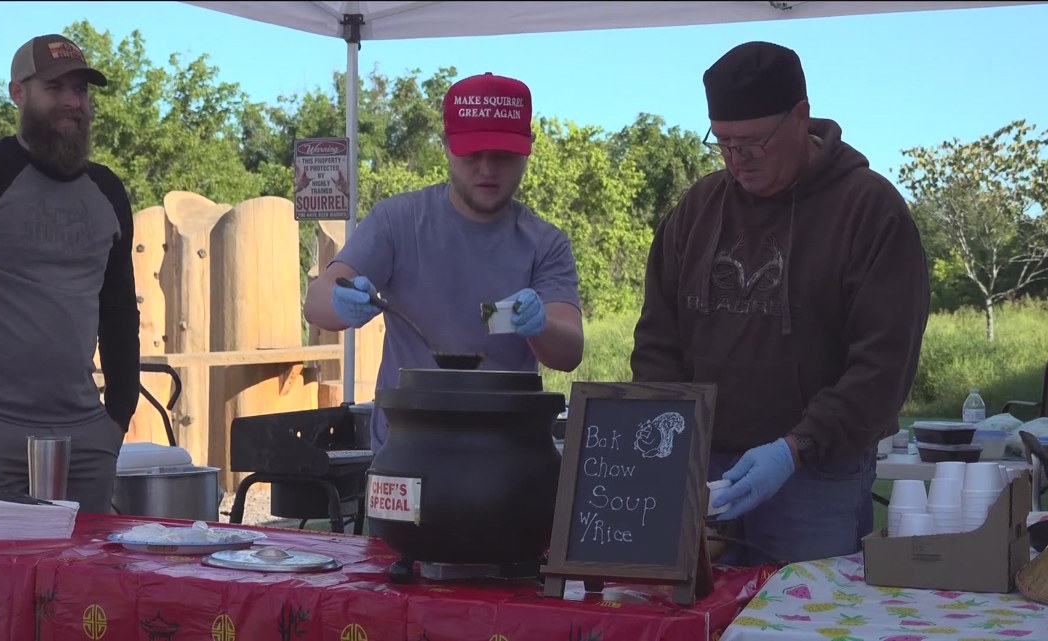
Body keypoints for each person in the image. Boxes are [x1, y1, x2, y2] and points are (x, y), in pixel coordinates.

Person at [630, 41, 930, 564]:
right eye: (722, 143)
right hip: (701, 468)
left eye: (751, 143)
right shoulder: (699, 208)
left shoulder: (869, 210)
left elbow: (883, 367)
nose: (736, 160)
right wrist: (666, 441)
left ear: (801, 117)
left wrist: (796, 448)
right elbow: (659, 335)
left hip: (816, 473)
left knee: (806, 621)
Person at [303, 72, 584, 451]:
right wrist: (340, 300)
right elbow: (316, 303)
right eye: (472, 153)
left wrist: (541, 325)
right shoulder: (398, 222)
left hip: (507, 451)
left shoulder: (544, 243)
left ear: (528, 149)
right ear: (446, 145)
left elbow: (569, 352)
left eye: (502, 155)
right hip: (405, 448)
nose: (487, 169)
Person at [0, 34, 140, 517]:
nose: (72, 102)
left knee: (87, 588)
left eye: (81, 90)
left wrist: (118, 416)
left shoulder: (106, 190)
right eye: (55, 88)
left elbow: (120, 311)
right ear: (18, 93)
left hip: (87, 435)